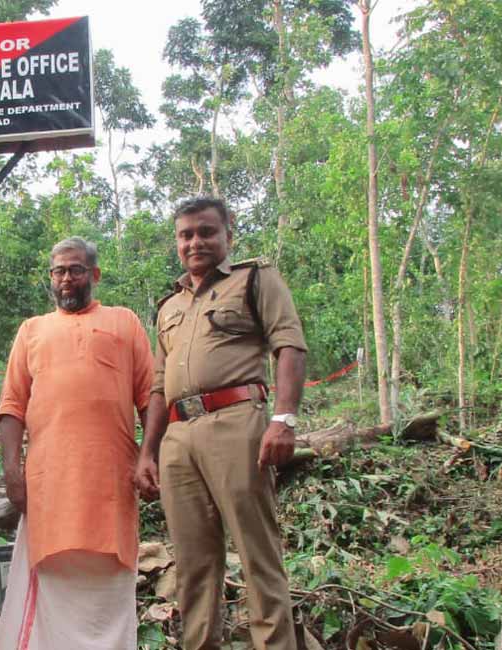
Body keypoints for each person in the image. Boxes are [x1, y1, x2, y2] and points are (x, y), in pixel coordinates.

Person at [135, 197, 308, 650]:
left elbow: (289, 345)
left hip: (237, 425)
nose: (196, 242)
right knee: (192, 565)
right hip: (178, 438)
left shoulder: (255, 279)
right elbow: (157, 385)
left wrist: (283, 420)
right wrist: (147, 452)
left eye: (206, 232)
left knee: (258, 556)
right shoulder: (169, 305)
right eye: (186, 234)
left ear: (228, 235)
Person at [0, 237, 154, 650]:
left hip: (111, 486)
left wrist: (150, 456)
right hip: (49, 488)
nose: (66, 278)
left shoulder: (125, 322)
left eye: (76, 269)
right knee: (51, 593)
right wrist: (12, 471)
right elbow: (12, 406)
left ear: (94, 275)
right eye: (59, 271)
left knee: (110, 592)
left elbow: (151, 396)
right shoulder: (32, 330)